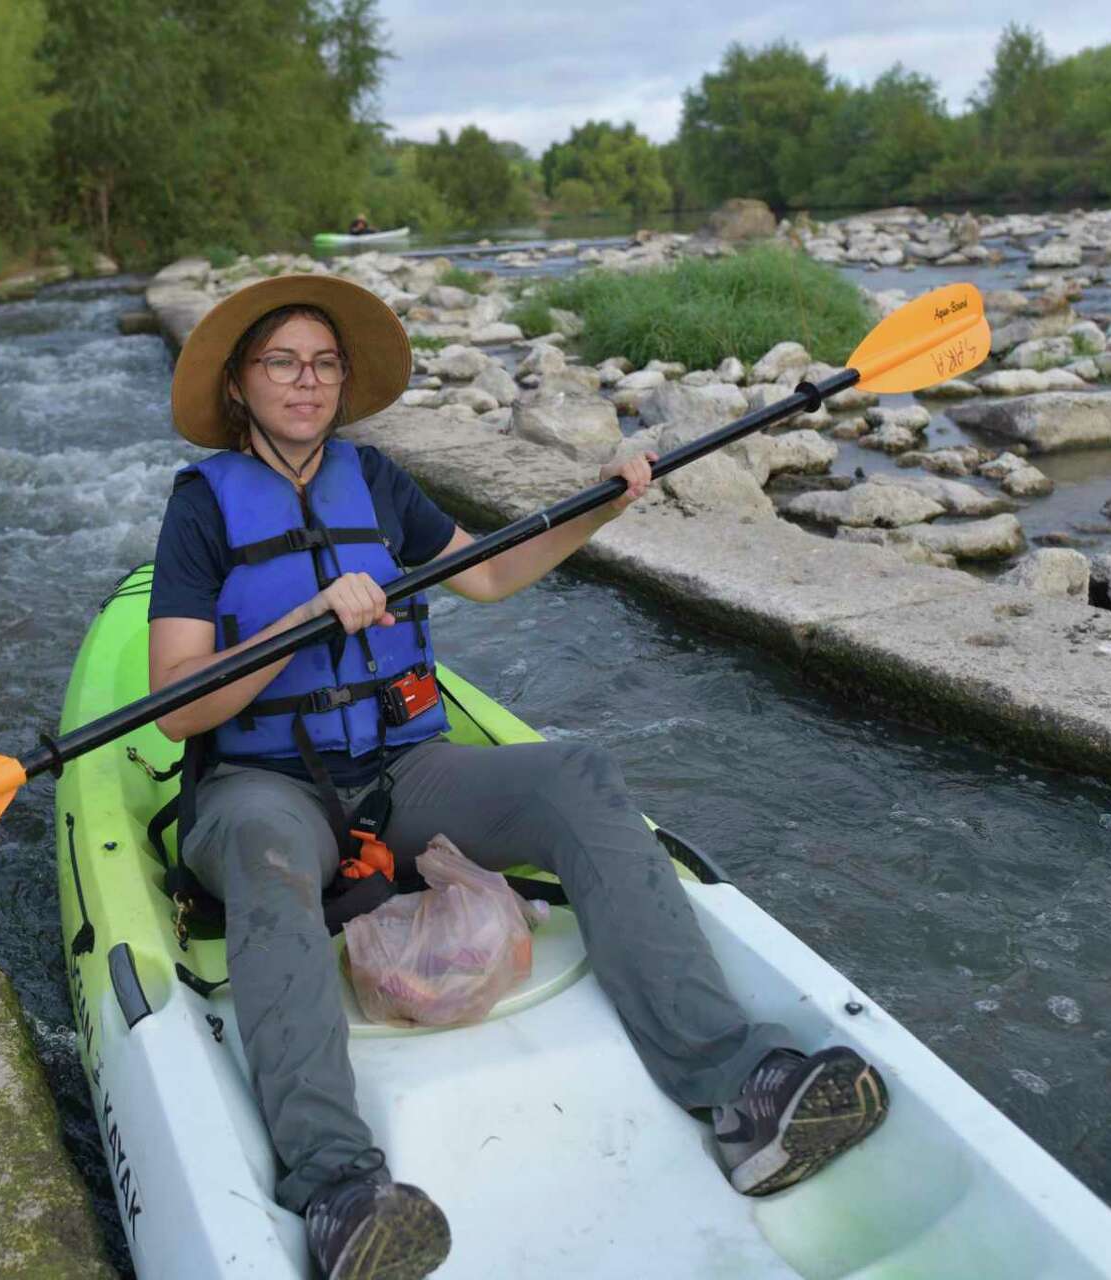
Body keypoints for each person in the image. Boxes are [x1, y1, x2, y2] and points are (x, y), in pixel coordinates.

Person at [147, 275, 888, 1280]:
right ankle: (337, 1188)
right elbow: (179, 701)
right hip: (264, 784)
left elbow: (489, 570)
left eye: (323, 362)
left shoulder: (375, 482)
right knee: (266, 859)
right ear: (238, 384)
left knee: (575, 771)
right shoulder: (199, 508)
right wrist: (300, 621)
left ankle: (737, 1084)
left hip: (402, 770)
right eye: (282, 361)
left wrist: (605, 504)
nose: (306, 380)